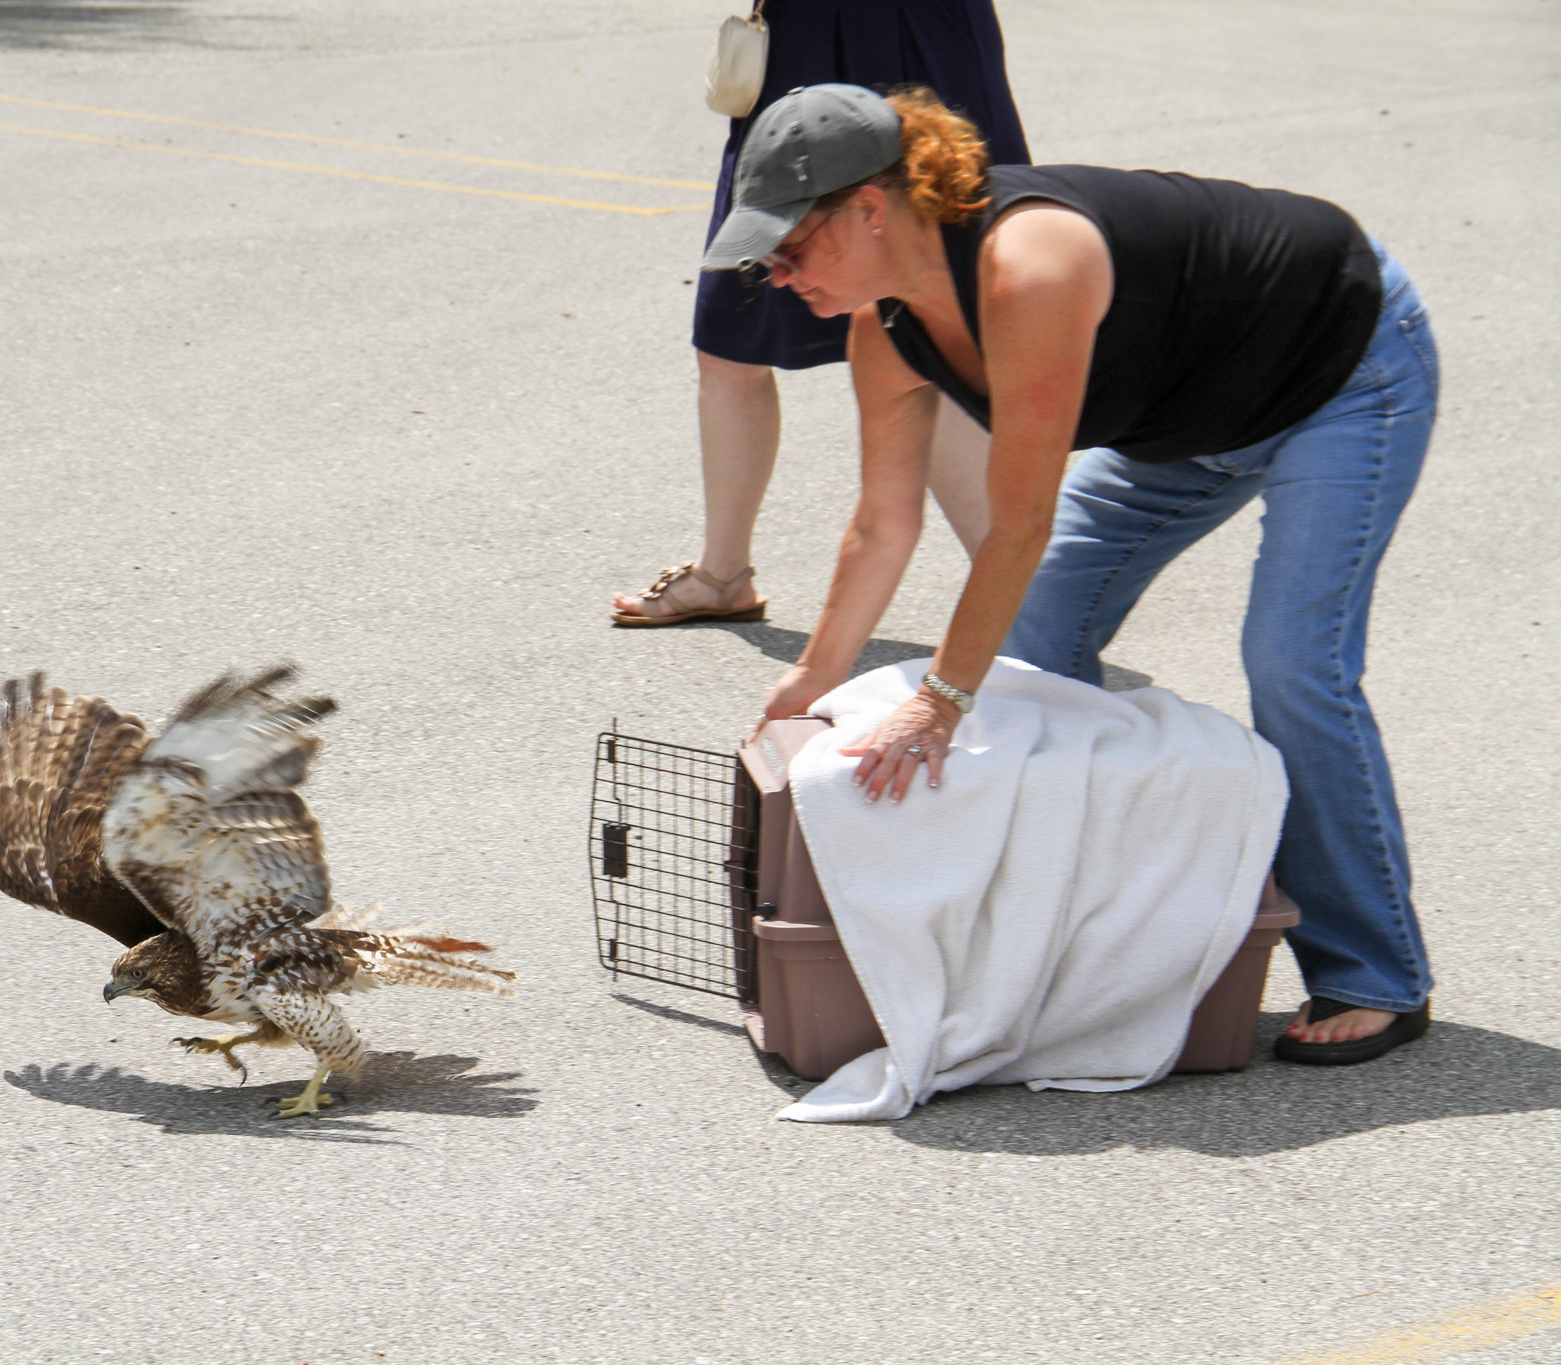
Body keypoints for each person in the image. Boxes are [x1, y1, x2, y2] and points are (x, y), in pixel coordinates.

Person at [719, 83, 1436, 1065]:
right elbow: (880, 526)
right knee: (1031, 651)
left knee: (1290, 663)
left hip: (1338, 375)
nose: (777, 273)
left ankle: (1371, 973)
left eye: (788, 246)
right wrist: (811, 678)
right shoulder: (883, 327)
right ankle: (1089, 940)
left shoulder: (1027, 266)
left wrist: (936, 700)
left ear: (868, 207)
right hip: (1180, 426)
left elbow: (1016, 522)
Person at [610, 0, 1028, 626]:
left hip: (915, 28)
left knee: (939, 325)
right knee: (731, 326)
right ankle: (723, 571)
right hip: (802, 34)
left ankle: (1028, 604)